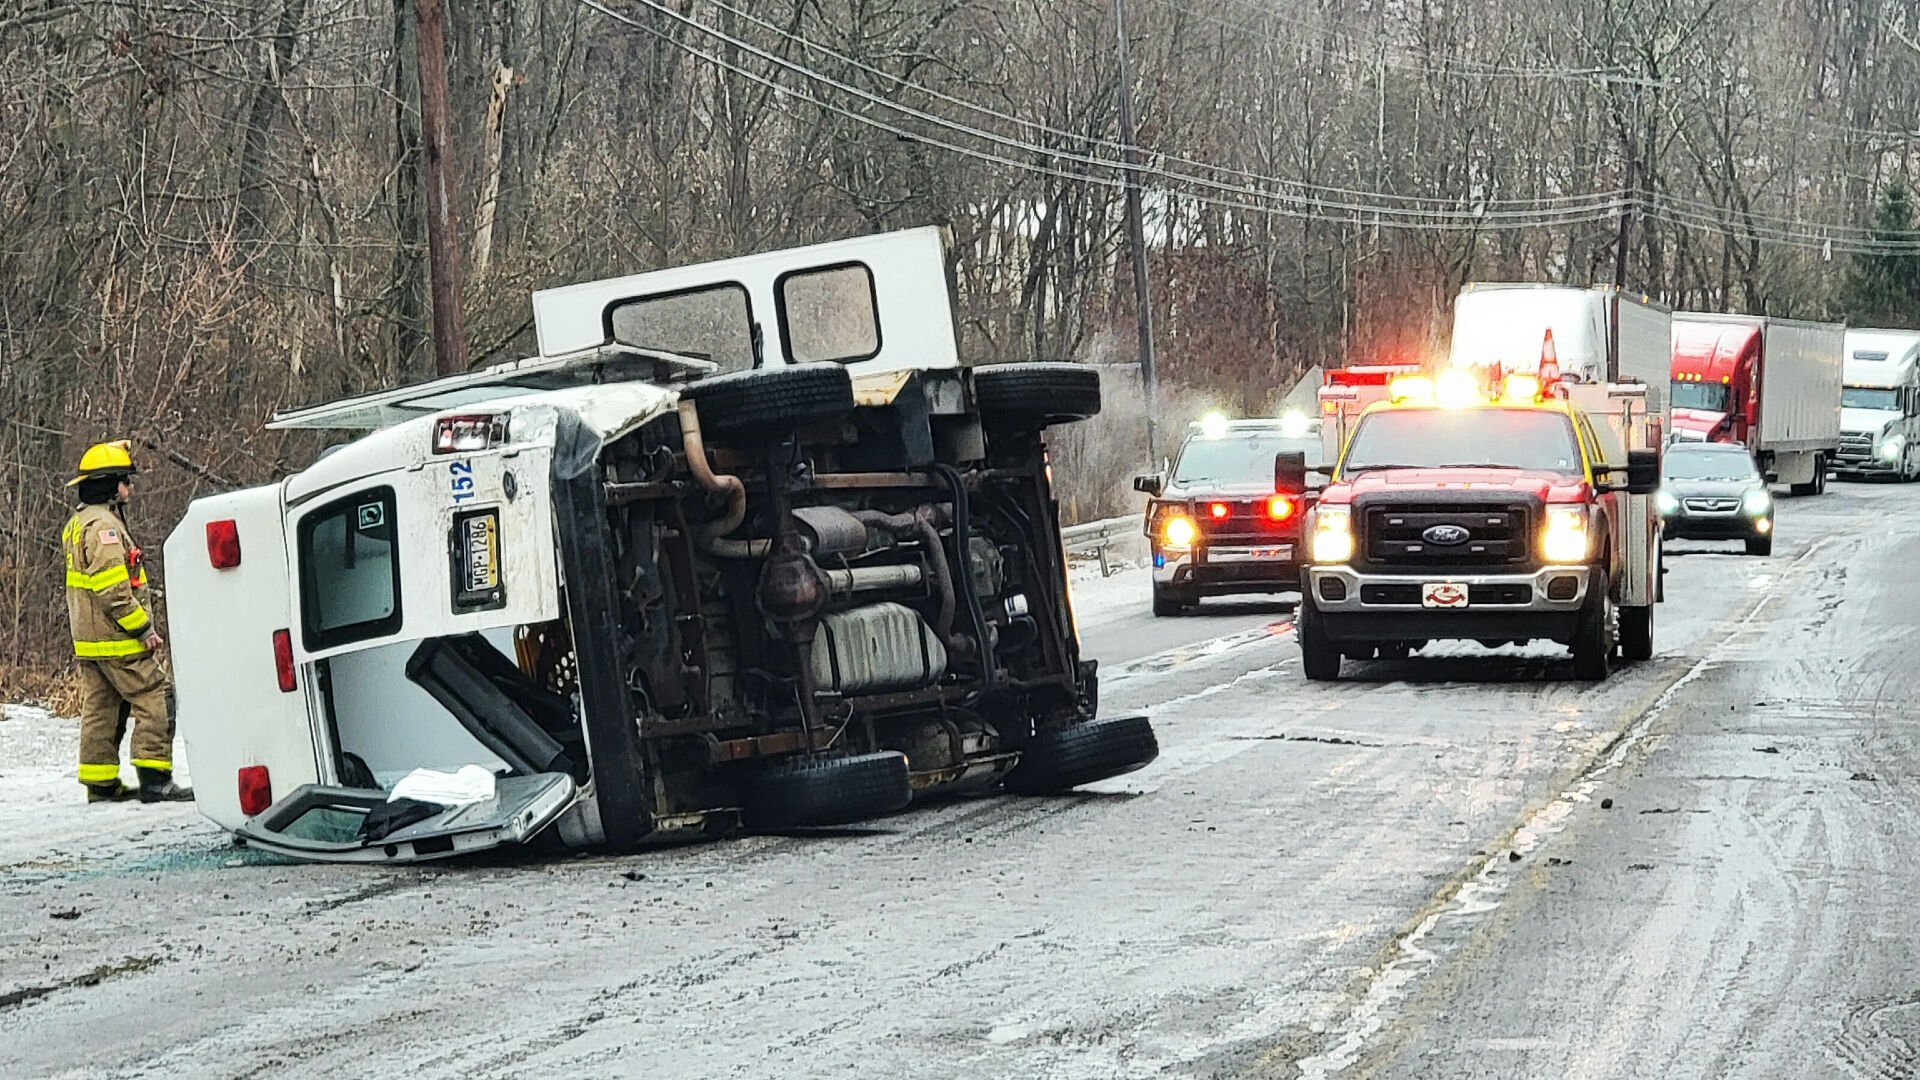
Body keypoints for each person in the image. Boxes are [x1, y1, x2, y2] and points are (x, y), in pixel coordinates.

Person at [62, 440, 191, 804]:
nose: (129, 488)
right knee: (156, 695)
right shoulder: (104, 528)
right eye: (125, 480)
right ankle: (156, 781)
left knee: (101, 708)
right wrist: (143, 629)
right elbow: (113, 591)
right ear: (110, 485)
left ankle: (100, 784)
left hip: (90, 641)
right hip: (118, 638)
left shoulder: (78, 523)